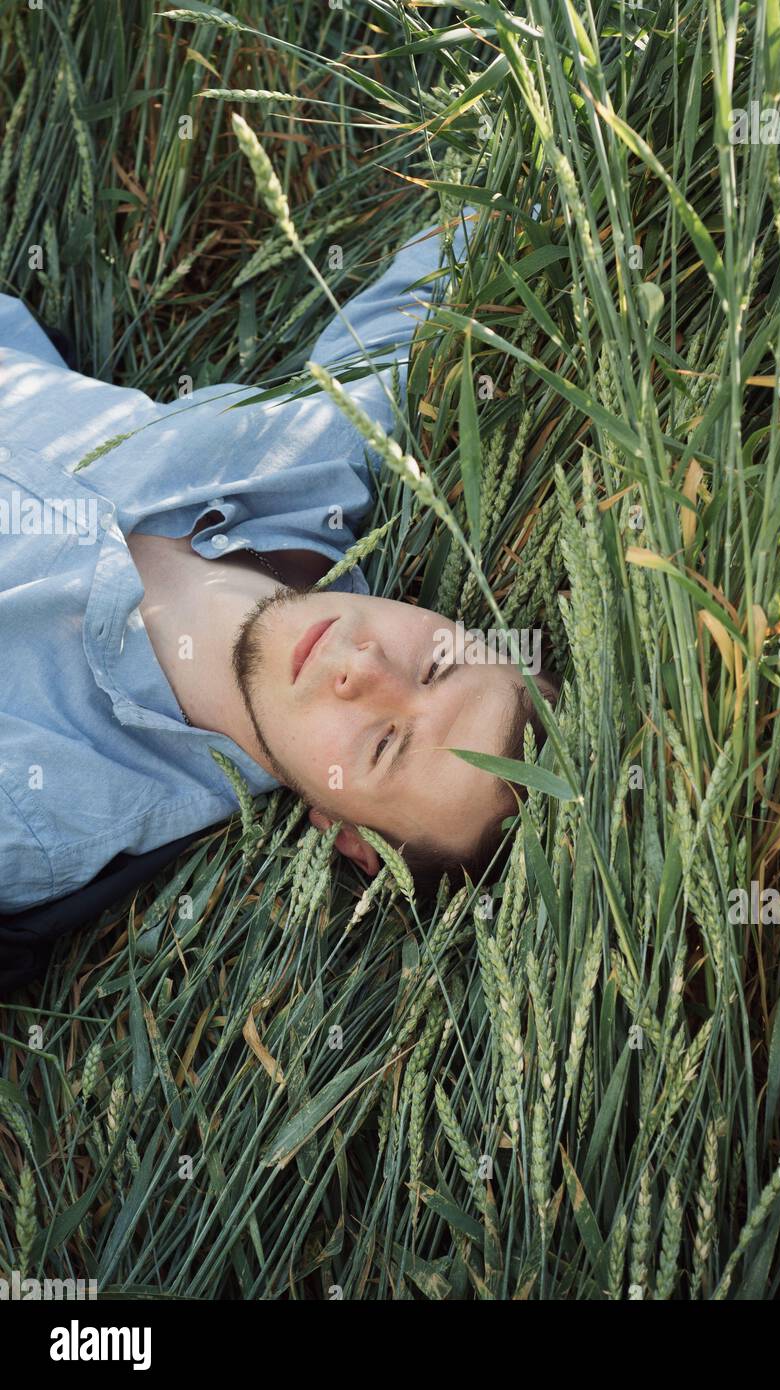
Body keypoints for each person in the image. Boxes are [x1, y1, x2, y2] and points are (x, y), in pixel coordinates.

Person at [0, 205, 557, 915]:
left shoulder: (43, 803)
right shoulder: (320, 454)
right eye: (436, 664)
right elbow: (449, 261)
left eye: (385, 745)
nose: (366, 670)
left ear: (349, 835)